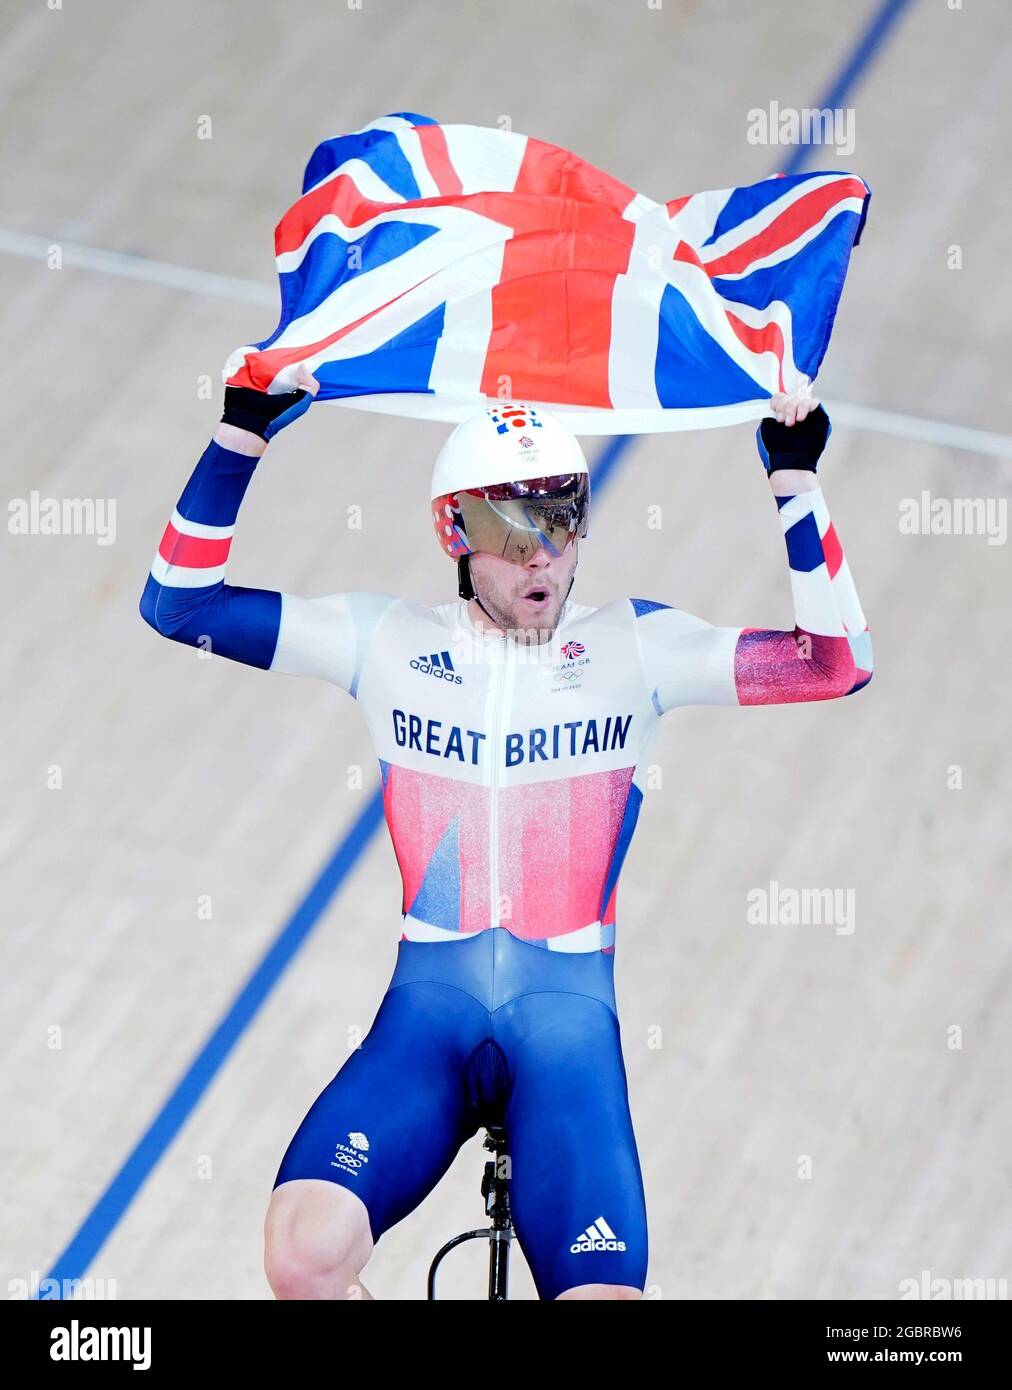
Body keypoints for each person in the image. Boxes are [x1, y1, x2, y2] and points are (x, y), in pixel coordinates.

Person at [140, 372, 872, 1300]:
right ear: (453, 534)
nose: (543, 559)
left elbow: (836, 666)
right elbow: (179, 606)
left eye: (562, 521)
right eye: (510, 530)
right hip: (428, 1020)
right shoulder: (385, 642)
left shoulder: (634, 648)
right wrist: (242, 435)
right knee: (303, 1257)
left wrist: (796, 484)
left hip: (565, 1035)